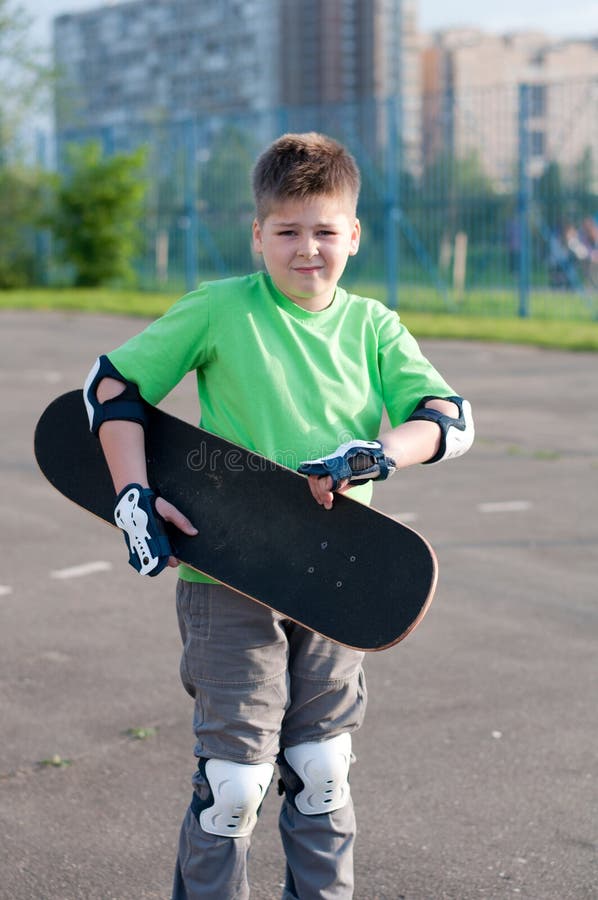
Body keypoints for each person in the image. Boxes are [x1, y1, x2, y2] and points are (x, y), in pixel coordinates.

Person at [83, 132, 474, 900]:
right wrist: (132, 496)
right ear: (257, 234)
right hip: (227, 575)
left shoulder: (373, 328)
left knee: (322, 769)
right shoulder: (221, 309)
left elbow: (448, 417)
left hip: (338, 578)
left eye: (325, 231)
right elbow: (111, 388)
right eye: (288, 231)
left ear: (354, 235)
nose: (307, 249)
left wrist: (381, 452)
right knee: (235, 783)